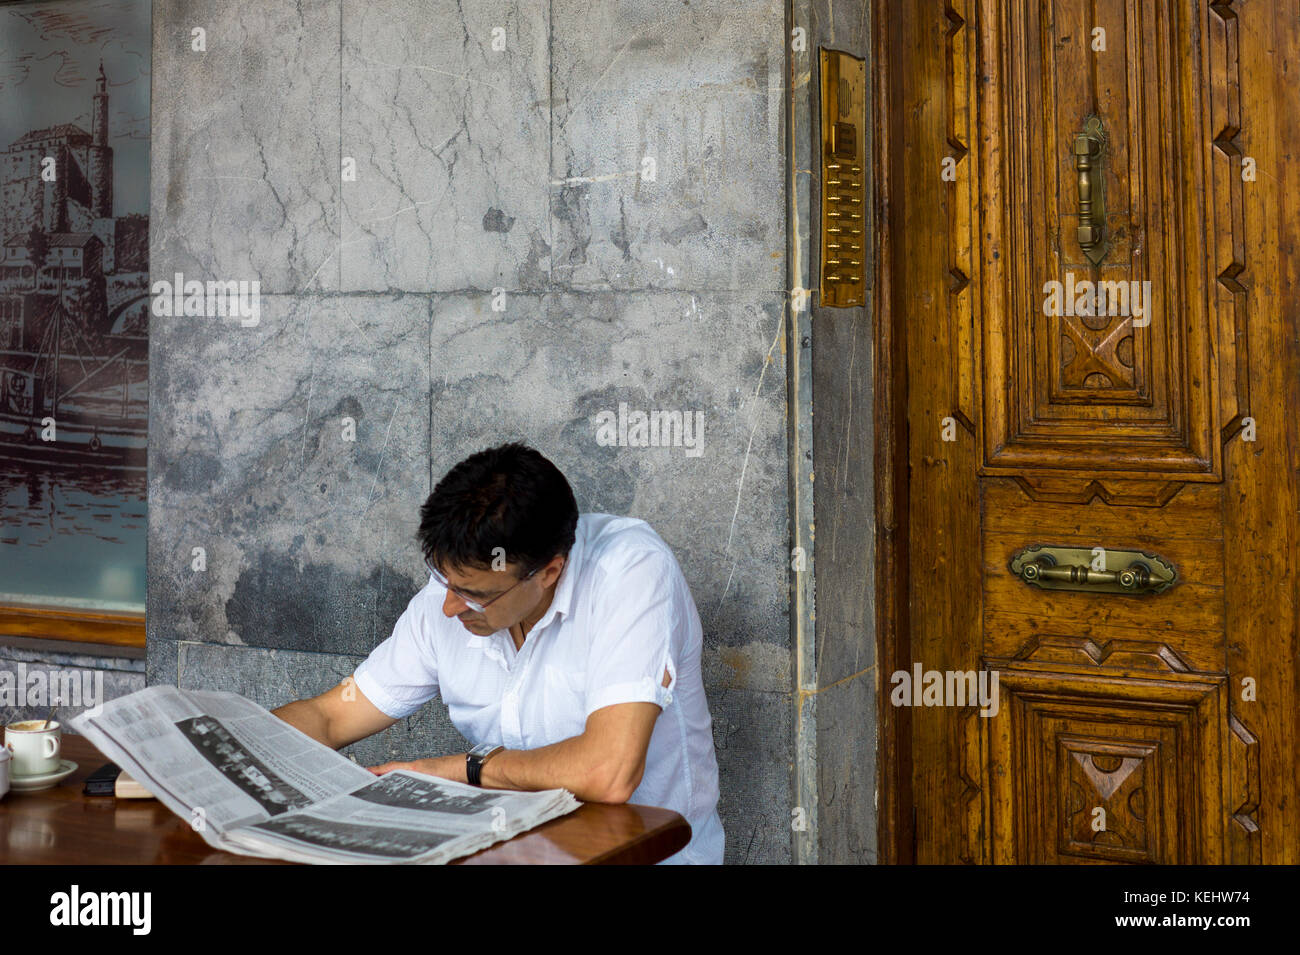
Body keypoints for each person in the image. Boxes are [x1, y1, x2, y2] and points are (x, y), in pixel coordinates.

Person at [273, 442, 724, 864]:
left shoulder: (630, 573)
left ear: (549, 572)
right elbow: (332, 715)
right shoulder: (455, 589)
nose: (450, 607)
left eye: (474, 595)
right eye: (444, 582)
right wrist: (230, 755)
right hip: (514, 847)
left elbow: (609, 771)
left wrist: (464, 770)